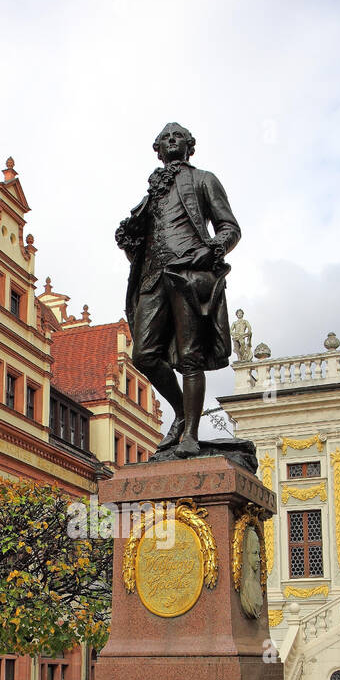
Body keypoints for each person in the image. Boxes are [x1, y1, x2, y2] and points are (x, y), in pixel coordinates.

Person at [115, 122, 241, 458]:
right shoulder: (151, 193)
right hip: (152, 277)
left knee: (190, 356)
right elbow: (139, 243)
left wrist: (213, 248)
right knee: (143, 354)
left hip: (188, 271)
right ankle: (183, 410)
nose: (172, 141)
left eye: (178, 137)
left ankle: (190, 434)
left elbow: (229, 227)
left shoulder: (203, 180)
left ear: (189, 146)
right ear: (157, 149)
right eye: (165, 138)